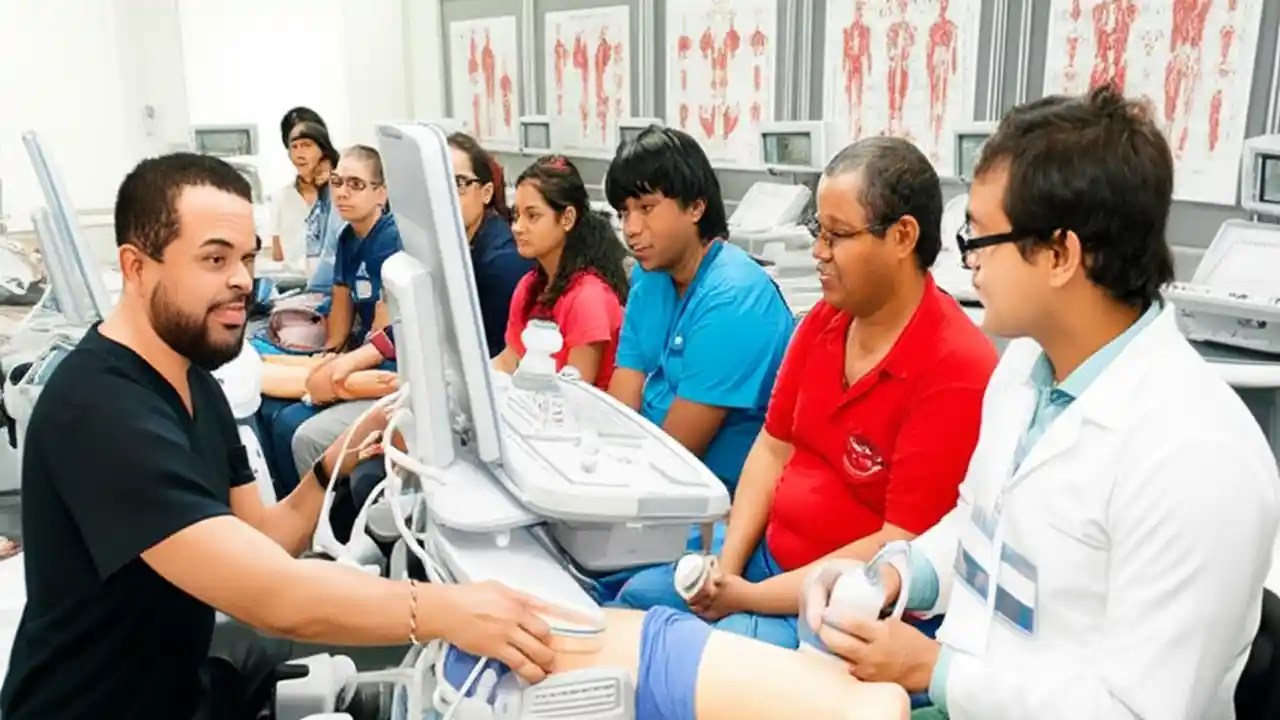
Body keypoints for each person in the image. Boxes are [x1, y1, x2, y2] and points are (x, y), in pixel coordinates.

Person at [0, 154, 557, 720]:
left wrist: (333, 463)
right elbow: (273, 596)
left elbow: (263, 540)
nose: (242, 280)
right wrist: (446, 610)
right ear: (136, 266)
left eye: (246, 258)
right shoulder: (100, 411)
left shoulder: (192, 382)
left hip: (175, 689)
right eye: (214, 259)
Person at [805, 86, 1280, 719]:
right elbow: (982, 529)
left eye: (979, 239)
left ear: (1060, 254)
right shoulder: (1028, 370)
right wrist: (894, 573)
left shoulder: (1198, 457)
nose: (968, 263)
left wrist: (934, 671)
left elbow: (1137, 713)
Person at [613, 138, 999, 649]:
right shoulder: (824, 322)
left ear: (903, 236)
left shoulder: (955, 366)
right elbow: (772, 447)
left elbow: (898, 545)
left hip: (842, 605)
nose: (819, 252)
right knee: (631, 601)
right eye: (818, 231)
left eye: (837, 236)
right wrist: (728, 571)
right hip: (761, 559)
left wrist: (750, 598)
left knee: (684, 654)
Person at [605, 126, 795, 495]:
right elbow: (624, 396)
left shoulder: (734, 297)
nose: (631, 229)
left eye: (646, 209)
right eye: (624, 213)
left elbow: (678, 453)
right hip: (648, 466)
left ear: (695, 207)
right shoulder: (650, 277)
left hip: (712, 492)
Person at [258, 145, 404, 493]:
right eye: (337, 182)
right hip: (358, 355)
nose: (342, 192)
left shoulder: (391, 240)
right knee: (270, 406)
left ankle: (314, 515)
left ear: (382, 193)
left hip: (387, 365)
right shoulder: (346, 238)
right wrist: (323, 359)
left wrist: (331, 377)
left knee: (290, 422)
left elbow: (380, 340)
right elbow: (337, 332)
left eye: (356, 184)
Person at [492, 154, 629, 389]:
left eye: (532, 216)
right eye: (516, 215)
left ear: (567, 218)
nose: (517, 227)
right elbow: (508, 360)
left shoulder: (589, 297)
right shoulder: (528, 286)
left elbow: (574, 391)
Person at [450, 132, 534, 357]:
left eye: (458, 183)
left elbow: (491, 355)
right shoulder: (456, 246)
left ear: (486, 193)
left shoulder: (501, 262)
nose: (446, 195)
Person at [267, 108, 335, 271]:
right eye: (294, 146)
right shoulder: (282, 197)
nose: (300, 153)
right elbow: (278, 256)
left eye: (307, 144)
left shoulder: (341, 192)